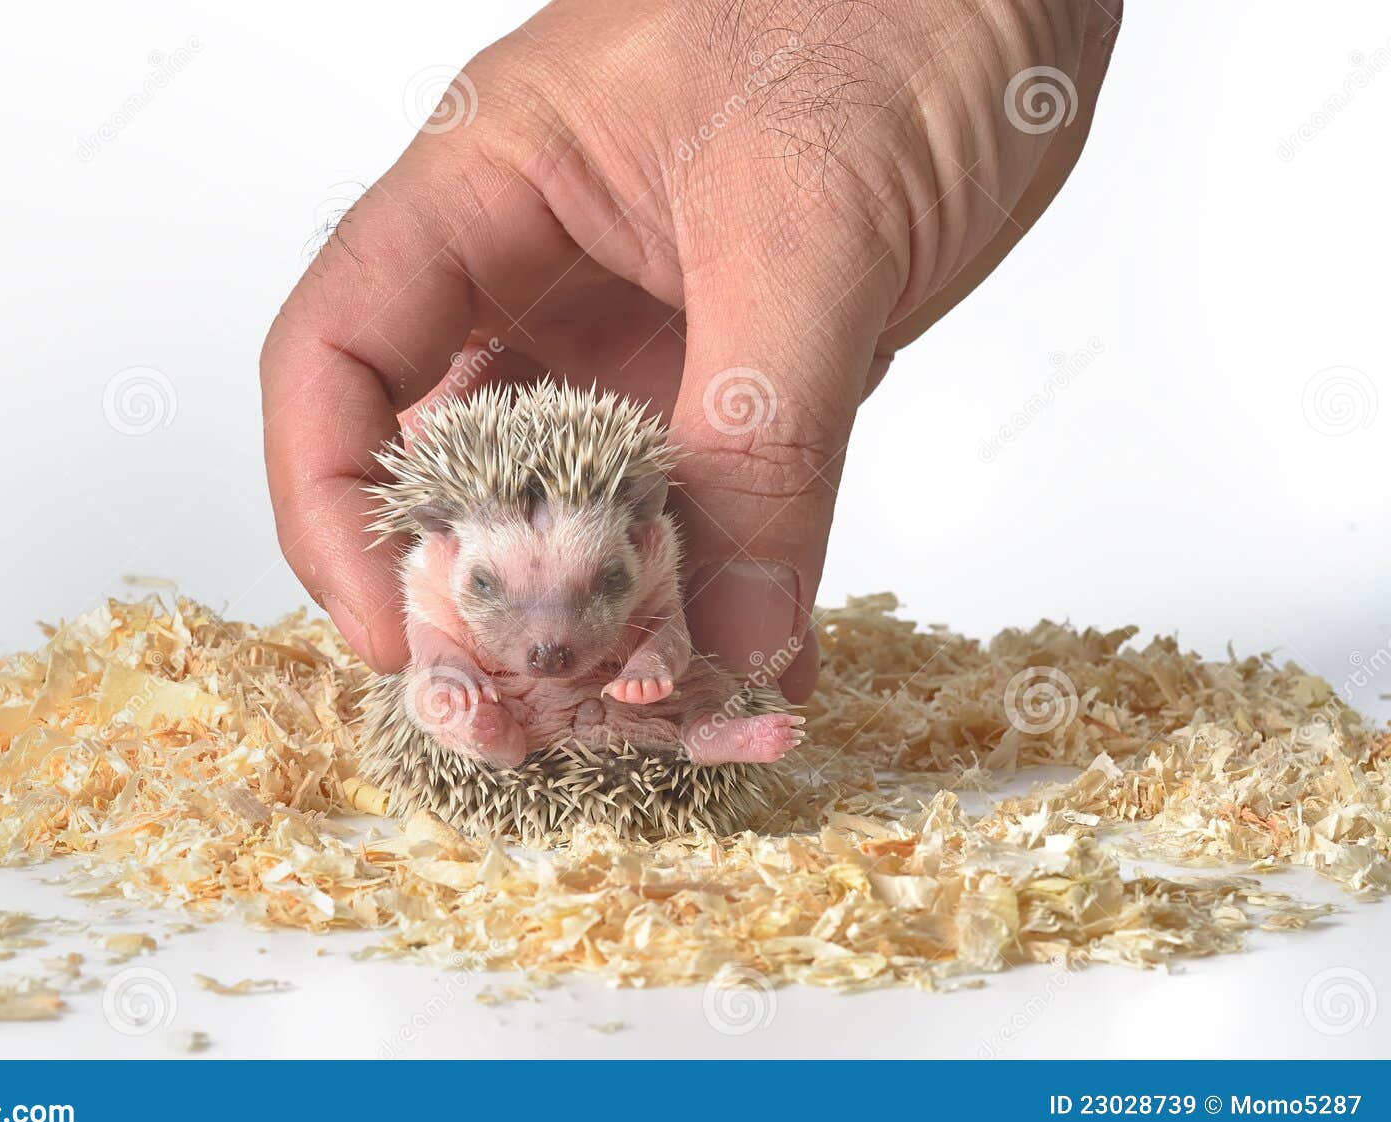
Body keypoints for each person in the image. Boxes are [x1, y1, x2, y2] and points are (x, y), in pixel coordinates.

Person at [259, 0, 1121, 702]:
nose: (551, 643)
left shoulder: (644, 557)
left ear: (644, 533)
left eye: (602, 582)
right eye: (485, 589)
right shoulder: (457, 557)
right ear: (439, 545)